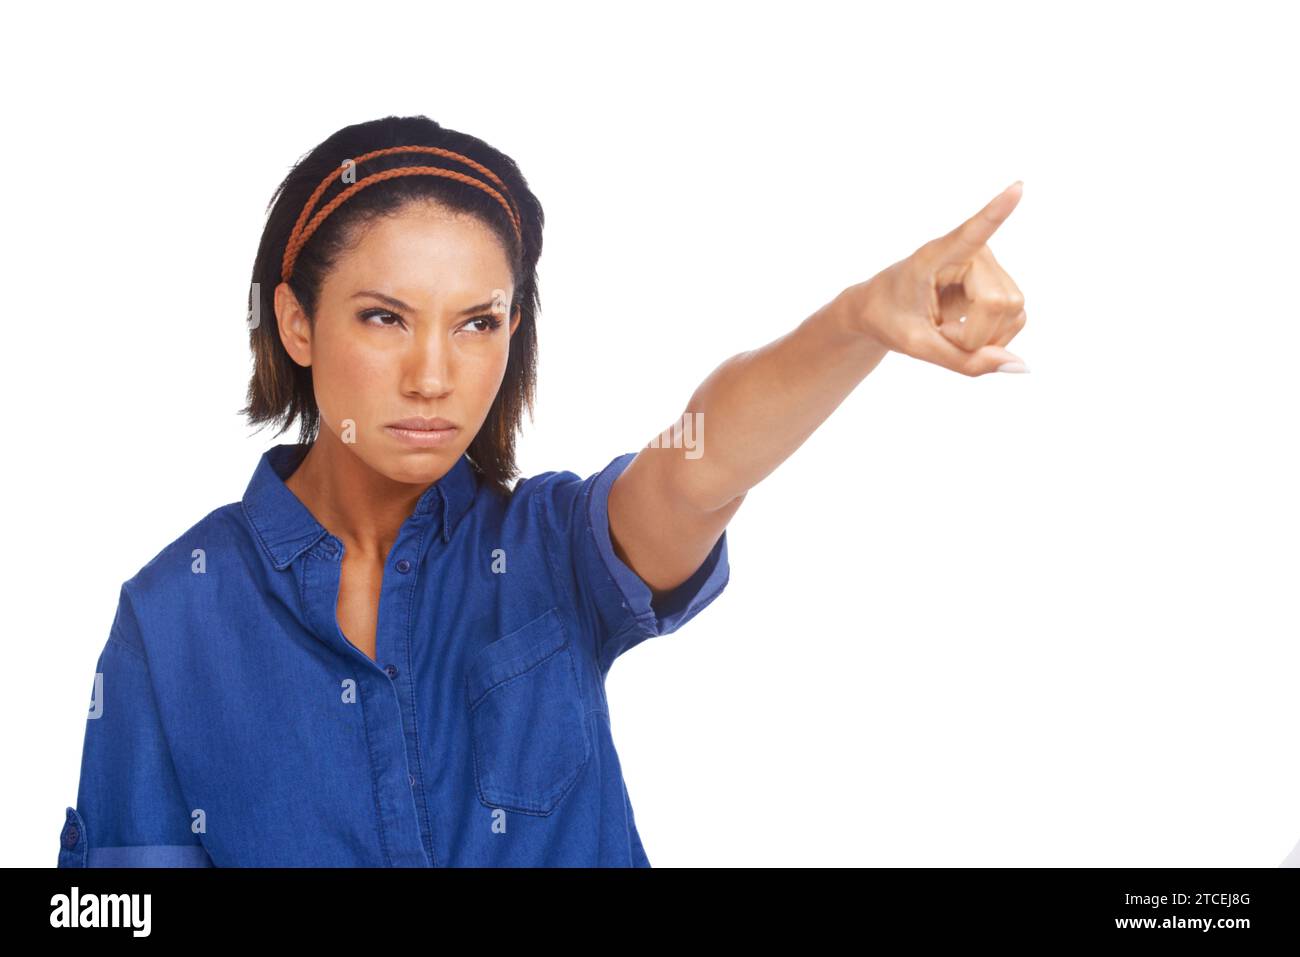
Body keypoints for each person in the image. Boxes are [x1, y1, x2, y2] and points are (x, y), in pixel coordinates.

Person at [58, 114, 1029, 867]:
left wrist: (857, 323)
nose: (434, 377)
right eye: (385, 317)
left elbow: (698, 465)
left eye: (478, 324)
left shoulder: (548, 551)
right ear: (297, 324)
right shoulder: (171, 614)